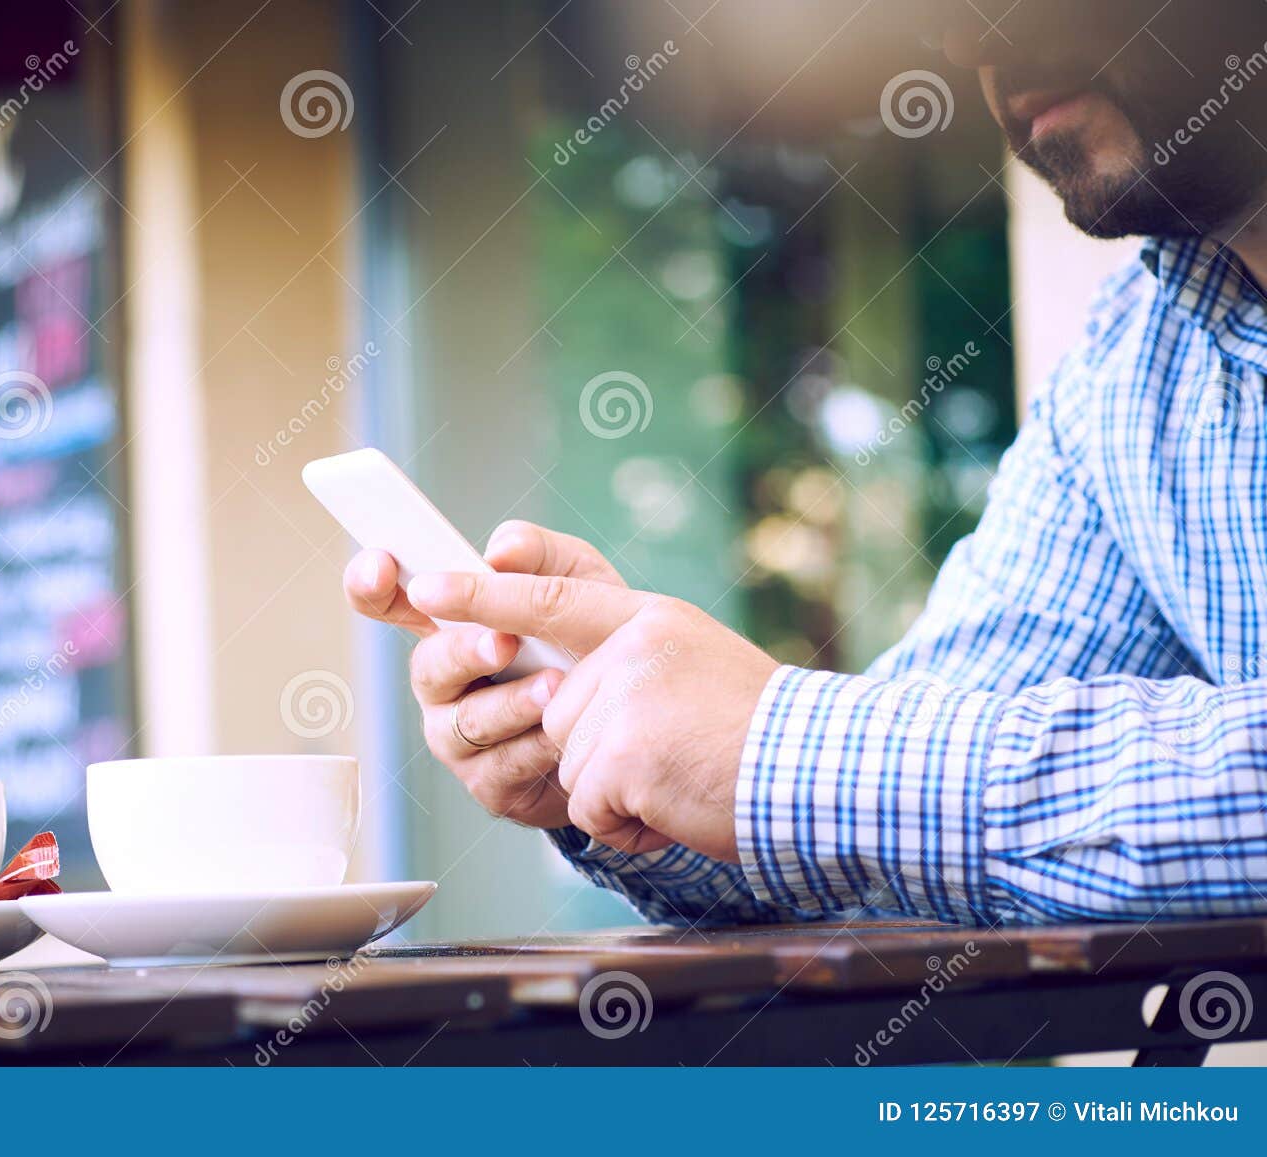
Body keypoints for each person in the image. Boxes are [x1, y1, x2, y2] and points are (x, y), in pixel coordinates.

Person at [342, 0, 1267, 926]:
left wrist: (777, 749)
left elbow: (866, 781)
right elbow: (908, 790)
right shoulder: (1138, 365)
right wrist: (625, 745)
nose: (972, 40)